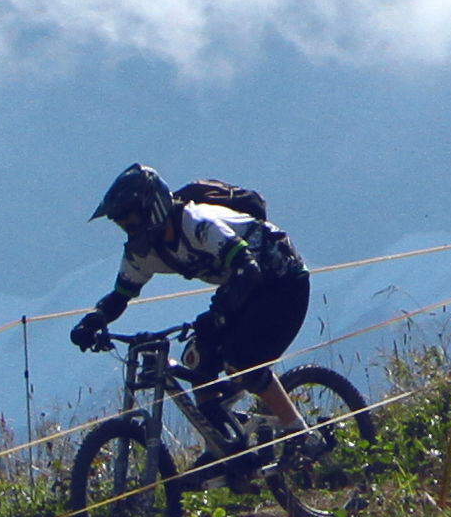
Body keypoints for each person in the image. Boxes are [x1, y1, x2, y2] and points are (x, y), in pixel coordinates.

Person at [66, 166, 312, 459]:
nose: (129, 228)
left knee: (244, 359)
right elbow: (120, 296)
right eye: (122, 224)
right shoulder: (142, 252)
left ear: (153, 209)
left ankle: (302, 435)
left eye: (131, 220)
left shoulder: (197, 223)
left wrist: (219, 315)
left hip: (283, 278)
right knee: (198, 360)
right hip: (242, 284)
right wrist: (93, 321)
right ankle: (221, 446)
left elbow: (248, 270)